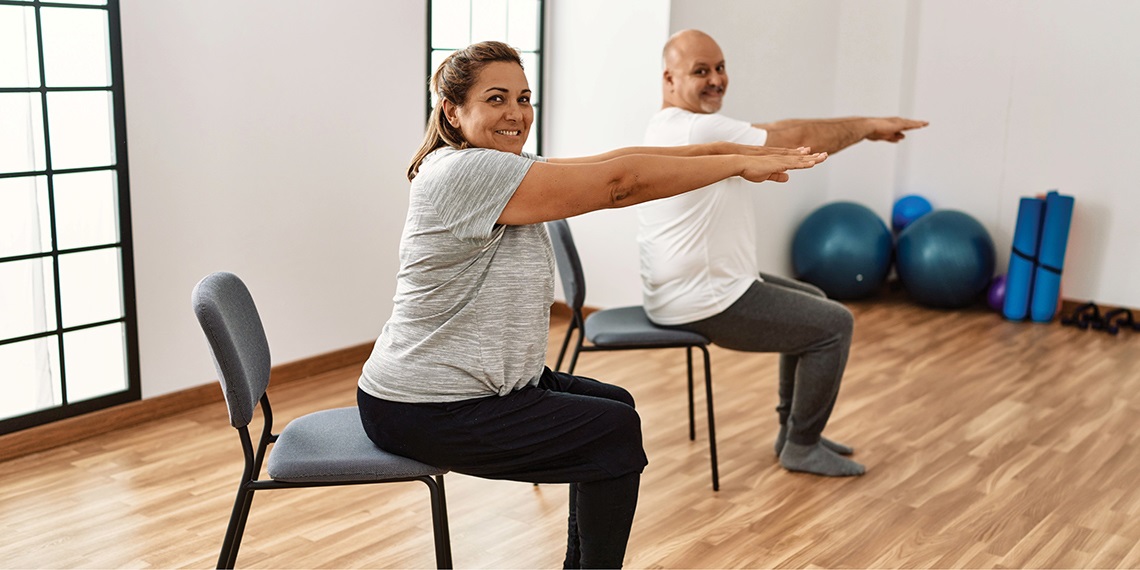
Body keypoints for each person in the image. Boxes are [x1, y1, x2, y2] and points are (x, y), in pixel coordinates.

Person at [356, 40, 826, 569]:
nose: (516, 113)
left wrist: (735, 156)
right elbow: (618, 184)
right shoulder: (465, 174)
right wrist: (735, 163)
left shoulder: (489, 164)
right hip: (425, 404)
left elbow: (616, 161)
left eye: (524, 97)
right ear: (453, 110)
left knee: (617, 407)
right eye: (496, 98)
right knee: (611, 433)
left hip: (479, 386)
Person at [638, 29, 929, 478]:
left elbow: (778, 132)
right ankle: (801, 444)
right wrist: (868, 126)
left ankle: (792, 431)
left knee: (815, 300)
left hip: (695, 287)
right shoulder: (698, 126)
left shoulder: (668, 125)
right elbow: (791, 137)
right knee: (834, 325)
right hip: (705, 299)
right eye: (701, 71)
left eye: (720, 67)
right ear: (669, 79)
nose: (716, 79)